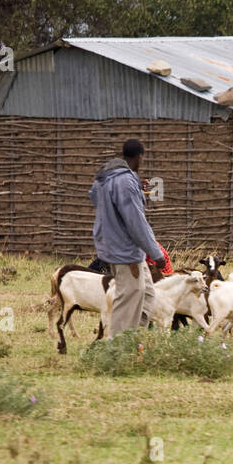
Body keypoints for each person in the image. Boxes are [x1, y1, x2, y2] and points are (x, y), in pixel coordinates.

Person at [91, 138, 166, 338]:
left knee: (147, 293)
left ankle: (133, 338)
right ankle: (118, 346)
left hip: (116, 247)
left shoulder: (108, 178)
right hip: (126, 252)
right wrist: (156, 254)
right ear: (139, 156)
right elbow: (136, 223)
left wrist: (135, 188)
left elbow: (95, 196)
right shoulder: (124, 181)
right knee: (128, 298)